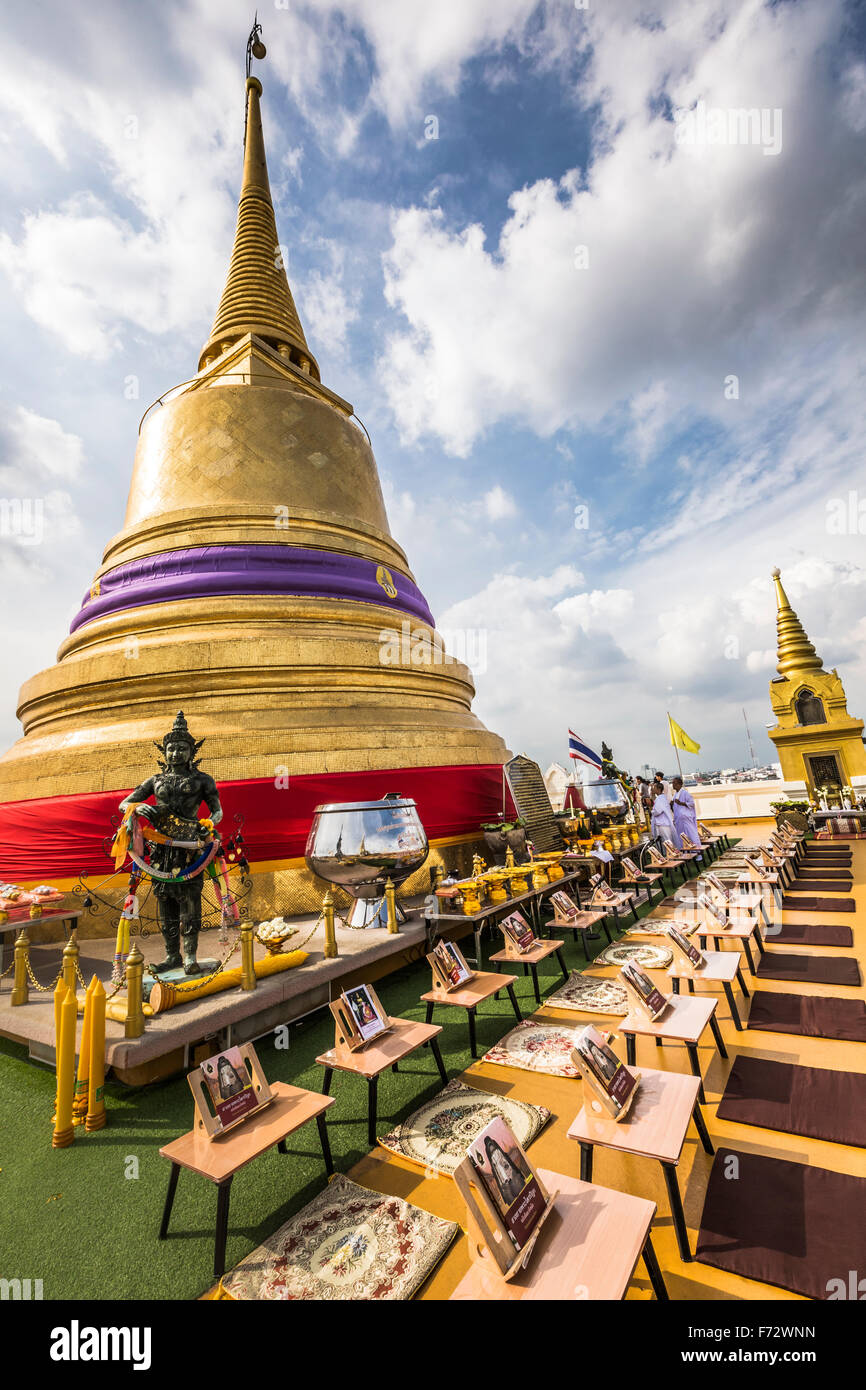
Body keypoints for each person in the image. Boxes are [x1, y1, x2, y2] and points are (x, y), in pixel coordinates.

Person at [671, 777, 703, 862]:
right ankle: (686, 853)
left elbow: (691, 803)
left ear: (679, 784)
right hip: (679, 819)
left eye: (674, 783)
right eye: (672, 783)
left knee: (692, 835)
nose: (672, 785)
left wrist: (682, 803)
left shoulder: (685, 793)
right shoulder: (675, 794)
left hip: (686, 818)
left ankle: (699, 853)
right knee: (682, 836)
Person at [650, 782, 682, 849]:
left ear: (658, 789)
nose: (653, 789)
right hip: (664, 823)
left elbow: (658, 811)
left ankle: (670, 856)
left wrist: (652, 812)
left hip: (663, 824)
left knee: (667, 842)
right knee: (667, 842)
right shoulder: (661, 798)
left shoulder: (660, 799)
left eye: (654, 788)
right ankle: (670, 855)